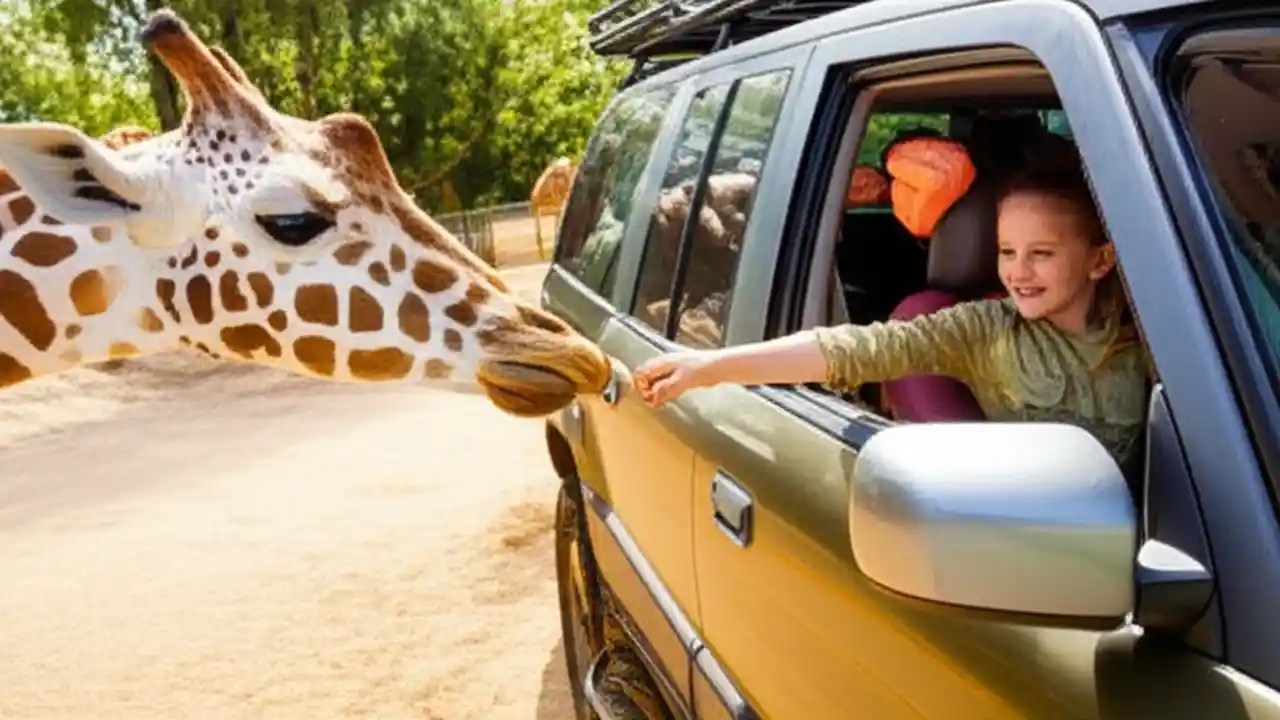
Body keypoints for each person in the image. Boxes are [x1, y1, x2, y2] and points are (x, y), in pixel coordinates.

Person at [632, 157, 1152, 470]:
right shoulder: (983, 331)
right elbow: (858, 349)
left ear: (1101, 260)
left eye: (1041, 254)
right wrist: (710, 367)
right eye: (1006, 252)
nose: (1018, 272)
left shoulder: (1154, 329)